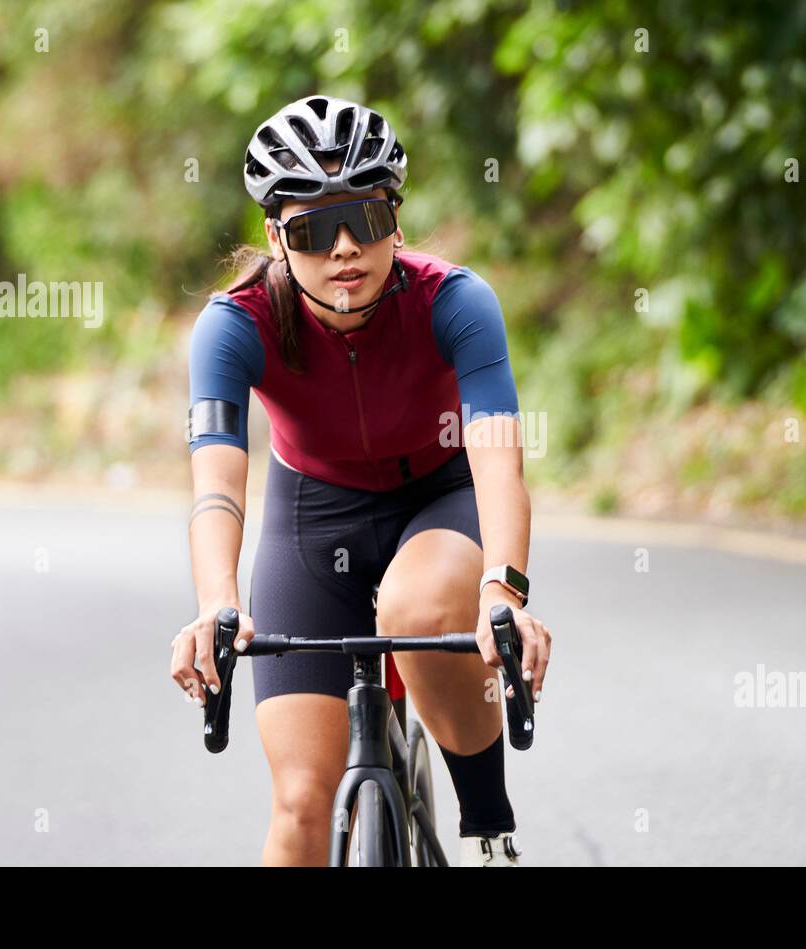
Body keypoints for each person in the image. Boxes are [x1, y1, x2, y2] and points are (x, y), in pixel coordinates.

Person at [169, 94, 552, 866]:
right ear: (277, 239)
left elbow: (497, 458)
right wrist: (216, 601)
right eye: (313, 228)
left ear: (396, 224)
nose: (344, 246)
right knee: (302, 806)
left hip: (441, 494)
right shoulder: (232, 324)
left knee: (417, 604)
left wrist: (502, 592)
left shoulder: (457, 301)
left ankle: (486, 825)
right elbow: (216, 483)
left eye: (366, 219)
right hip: (311, 513)